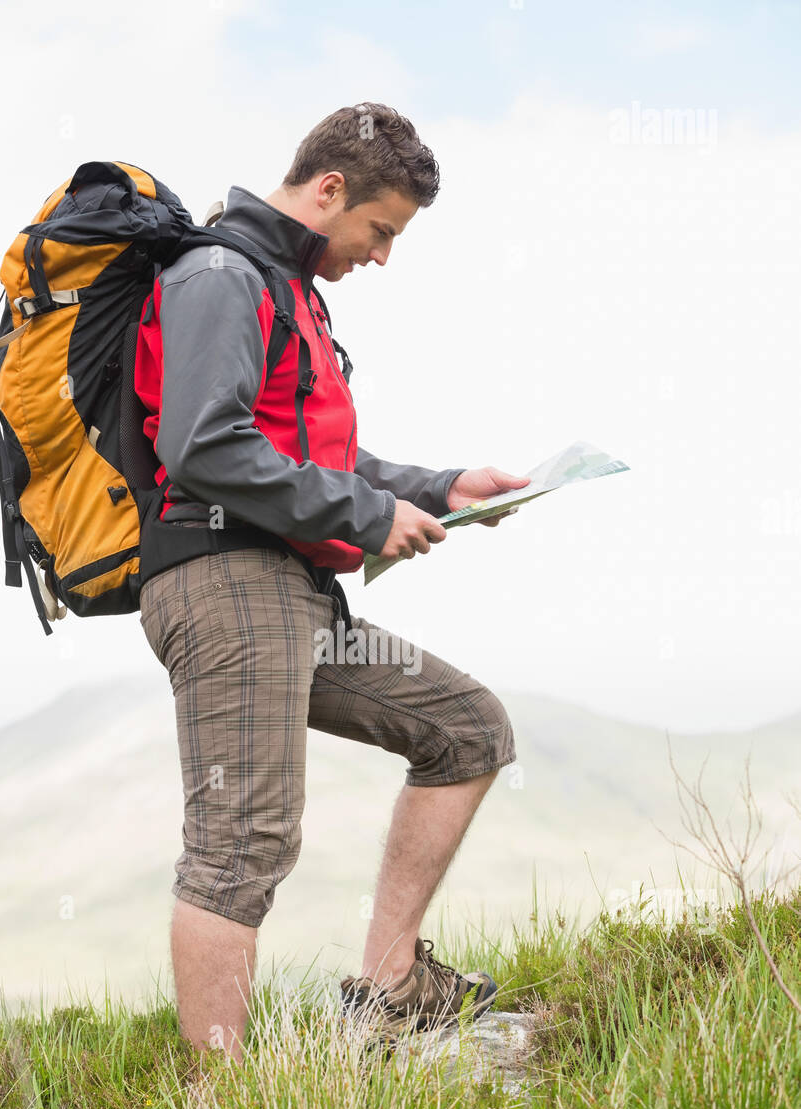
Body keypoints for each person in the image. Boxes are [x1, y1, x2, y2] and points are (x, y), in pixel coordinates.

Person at [135, 103, 530, 1058]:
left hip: (293, 589)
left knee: (466, 728)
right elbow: (204, 448)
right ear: (330, 190)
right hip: (224, 579)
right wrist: (366, 519)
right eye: (380, 230)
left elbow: (314, 454)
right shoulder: (220, 275)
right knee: (242, 848)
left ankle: (389, 991)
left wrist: (439, 488)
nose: (383, 256)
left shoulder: (288, 288)